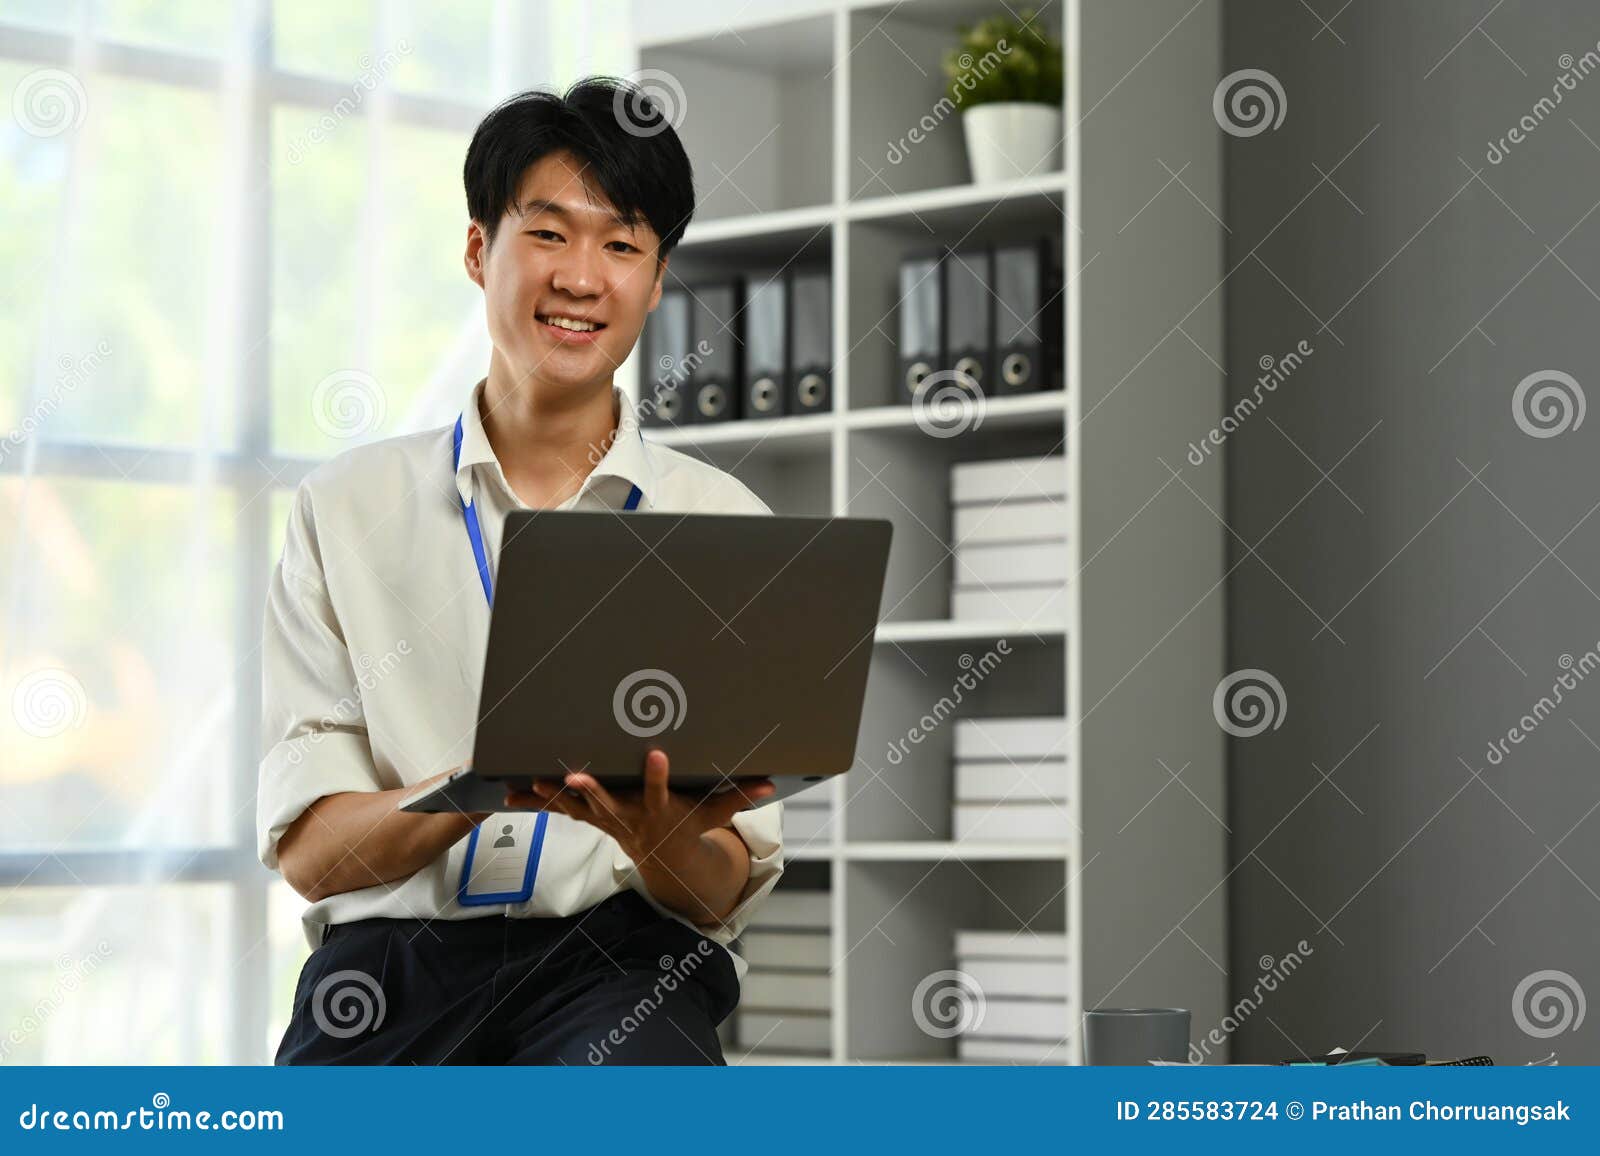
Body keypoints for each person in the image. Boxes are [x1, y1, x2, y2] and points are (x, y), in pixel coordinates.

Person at [259, 77, 784, 1065]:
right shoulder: (347, 508)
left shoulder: (721, 526)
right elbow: (314, 857)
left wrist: (653, 833)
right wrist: (479, 783)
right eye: (548, 234)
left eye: (621, 245)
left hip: (621, 958)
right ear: (478, 250)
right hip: (393, 965)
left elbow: (719, 887)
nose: (582, 277)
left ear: (656, 281)